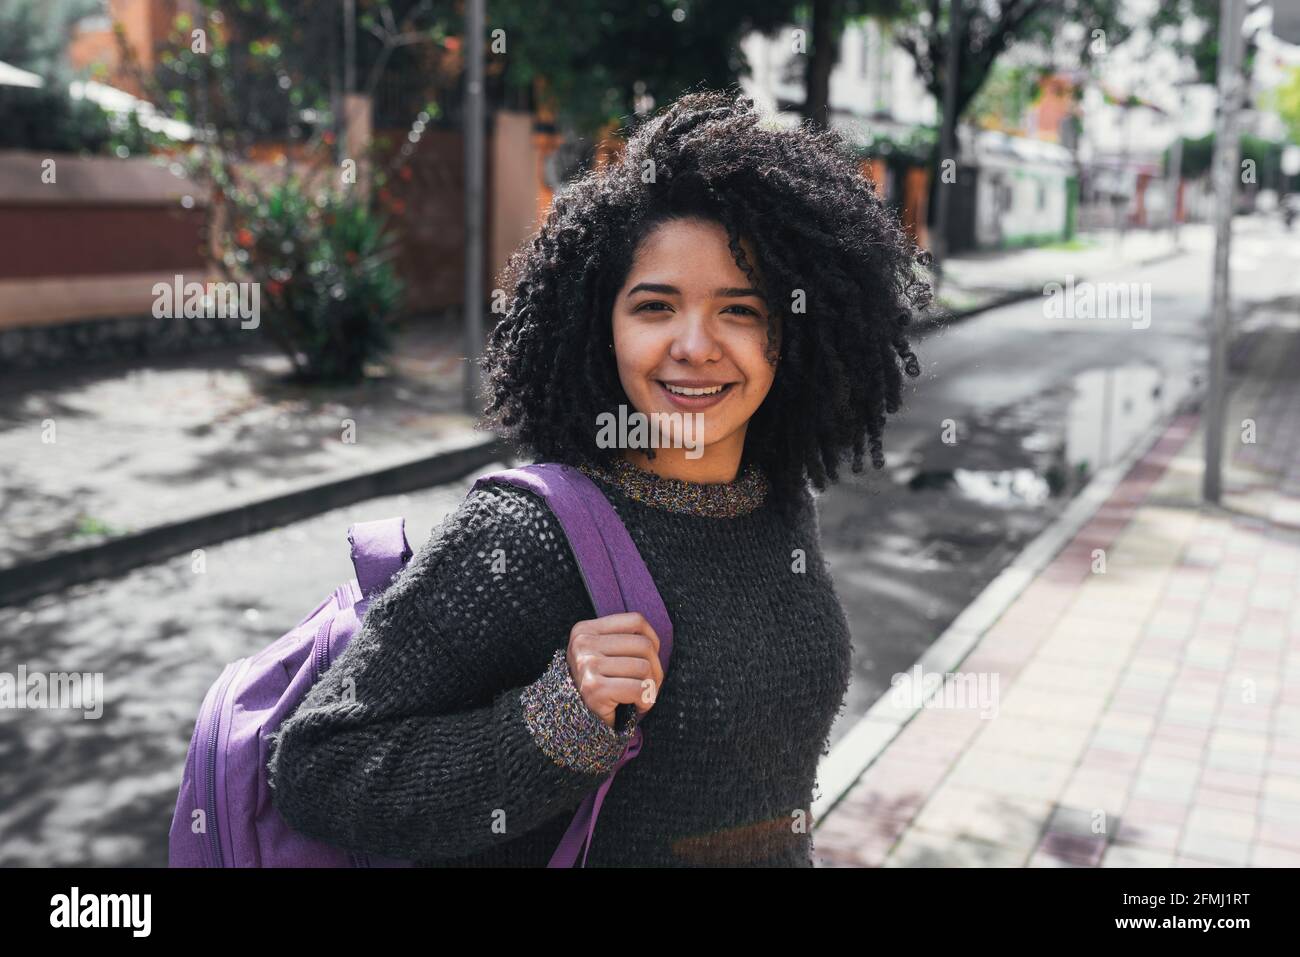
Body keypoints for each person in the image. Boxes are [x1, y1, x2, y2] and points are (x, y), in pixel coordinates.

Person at [266, 89, 930, 867]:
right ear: (599, 325)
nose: (695, 344)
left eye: (740, 310)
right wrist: (554, 721)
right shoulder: (529, 533)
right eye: (655, 306)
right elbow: (316, 766)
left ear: (793, 331)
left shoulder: (776, 498)